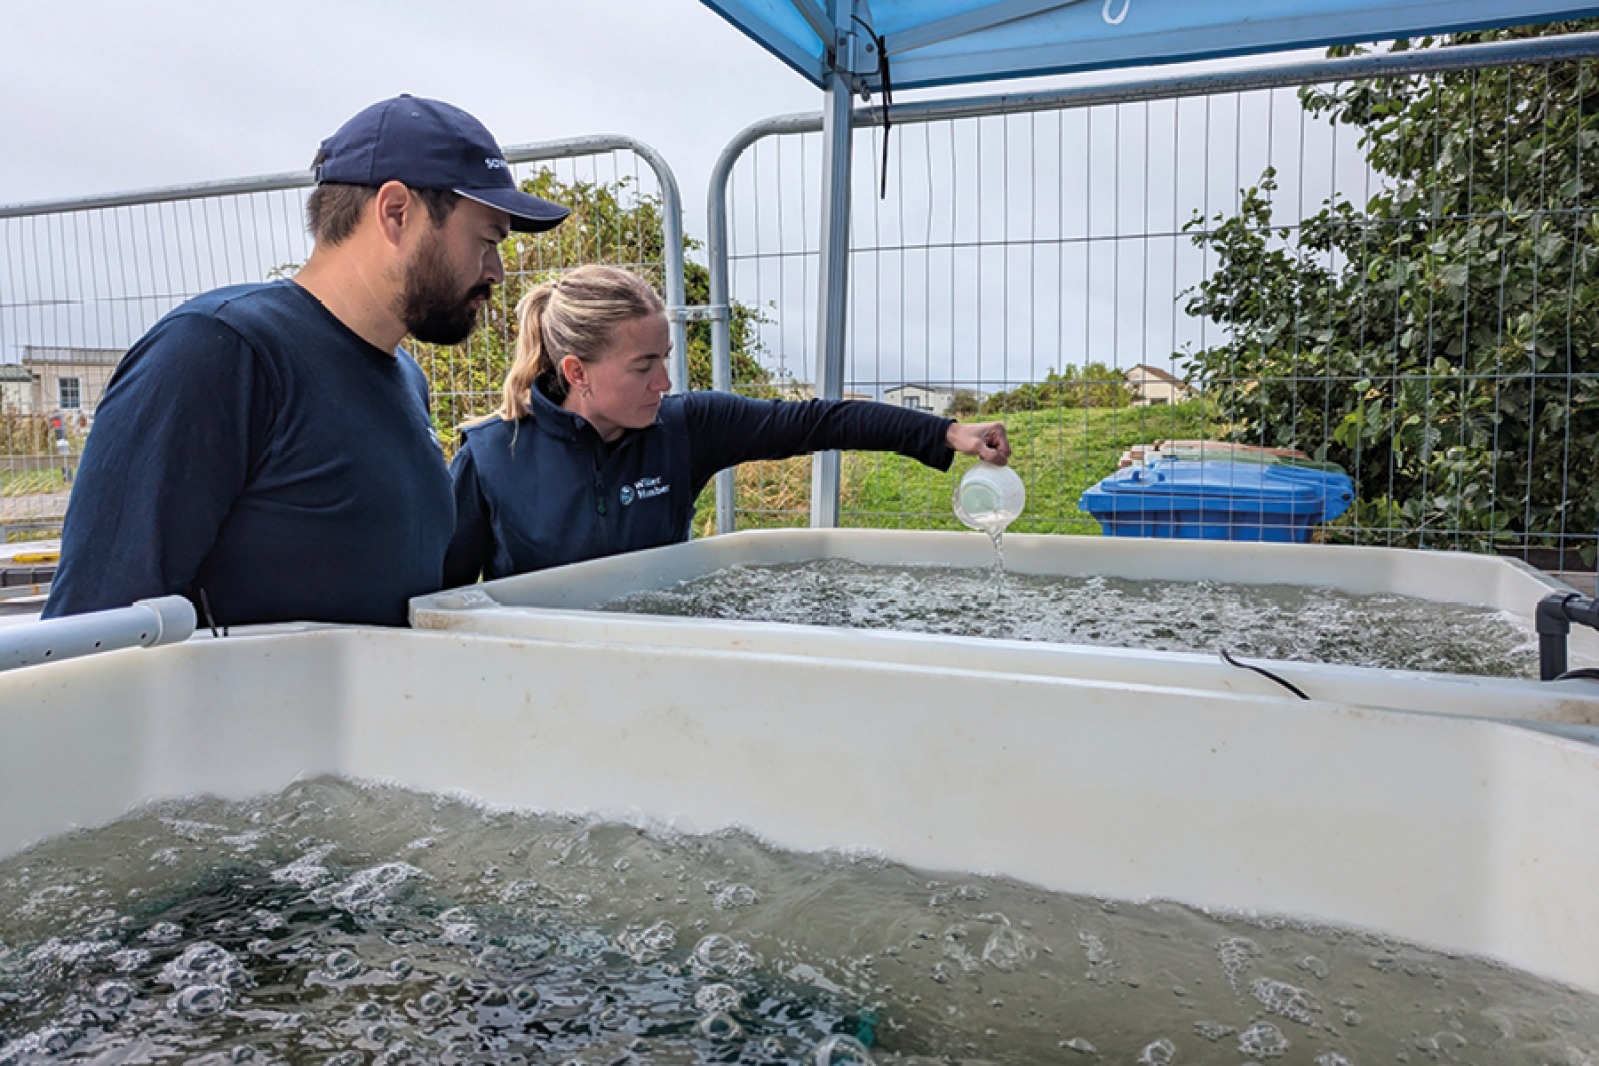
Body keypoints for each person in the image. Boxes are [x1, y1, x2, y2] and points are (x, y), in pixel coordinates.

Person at [43, 95, 569, 626]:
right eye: (485, 240)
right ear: (396, 213)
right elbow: (95, 626)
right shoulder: (218, 352)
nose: (496, 271)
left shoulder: (404, 377)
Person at [444, 264, 1011, 585]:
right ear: (577, 372)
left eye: (664, 358)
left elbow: (818, 422)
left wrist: (945, 433)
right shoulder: (491, 458)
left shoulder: (685, 427)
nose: (664, 382)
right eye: (644, 366)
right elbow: (440, 603)